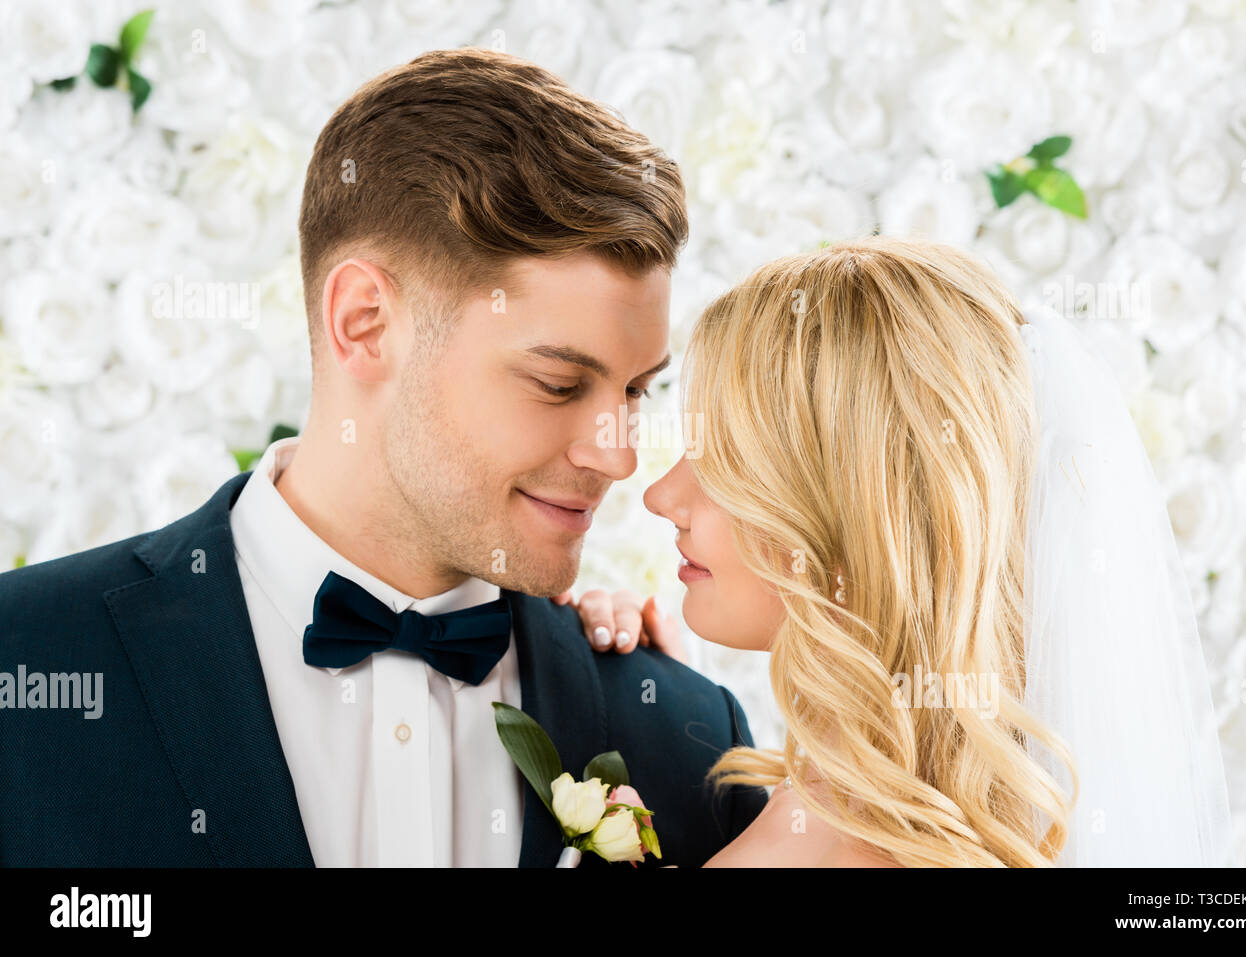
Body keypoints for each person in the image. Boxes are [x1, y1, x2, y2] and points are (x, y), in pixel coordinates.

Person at [0, 48, 767, 868]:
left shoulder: (690, 740)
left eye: (637, 389)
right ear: (364, 322)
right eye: (558, 383)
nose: (618, 457)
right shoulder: (27, 663)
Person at [568, 237, 1234, 867]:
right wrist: (662, 705)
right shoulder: (842, 807)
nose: (659, 494)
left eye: (726, 459)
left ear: (859, 514)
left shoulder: (852, 845)